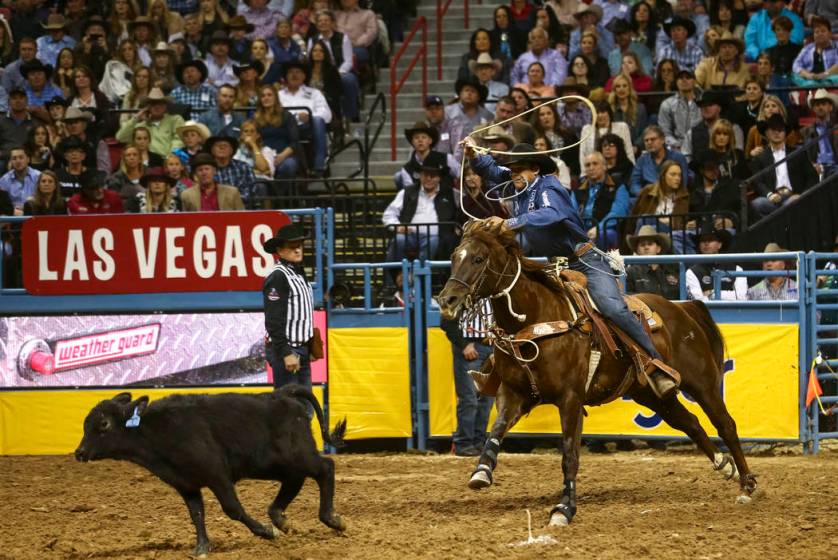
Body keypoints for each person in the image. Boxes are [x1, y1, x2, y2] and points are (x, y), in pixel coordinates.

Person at [463, 137, 679, 398]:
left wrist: (509, 223)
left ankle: (655, 365)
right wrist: (475, 154)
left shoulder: (548, 186)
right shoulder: (520, 185)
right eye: (513, 169)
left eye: (519, 169)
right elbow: (493, 172)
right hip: (555, 264)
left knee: (613, 308)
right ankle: (501, 371)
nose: (514, 174)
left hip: (584, 261)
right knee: (524, 307)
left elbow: (553, 213)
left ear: (535, 169)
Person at [262, 223, 318, 406]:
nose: (297, 250)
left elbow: (301, 311)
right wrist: (286, 352)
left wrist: (308, 345)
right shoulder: (278, 276)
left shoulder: (298, 273)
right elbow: (273, 320)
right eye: (292, 246)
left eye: (300, 245)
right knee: (288, 408)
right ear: (280, 250)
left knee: (305, 407)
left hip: (300, 348)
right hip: (286, 349)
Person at [440, 298, 495, 457]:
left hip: (490, 348)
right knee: (469, 398)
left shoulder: (494, 291)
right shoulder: (461, 291)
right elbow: (446, 322)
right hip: (471, 348)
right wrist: (464, 344)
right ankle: (464, 443)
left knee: (486, 399)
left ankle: (478, 443)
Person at [382, 162, 457, 262]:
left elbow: (463, 209)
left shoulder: (450, 193)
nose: (428, 178)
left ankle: (416, 274)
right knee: (398, 240)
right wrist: (398, 226)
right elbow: (389, 214)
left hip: (435, 236)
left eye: (433, 176)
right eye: (425, 175)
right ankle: (397, 274)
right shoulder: (407, 192)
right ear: (420, 176)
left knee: (433, 242)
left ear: (439, 178)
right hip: (409, 235)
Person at [749, 114, 818, 220]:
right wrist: (769, 195)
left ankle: (779, 225)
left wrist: (801, 195)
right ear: (766, 133)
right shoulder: (760, 158)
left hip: (794, 196)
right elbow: (758, 182)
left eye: (780, 129)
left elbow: (812, 176)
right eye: (773, 129)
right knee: (756, 204)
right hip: (773, 199)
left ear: (785, 133)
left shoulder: (798, 153)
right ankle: (781, 220)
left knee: (791, 204)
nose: (777, 132)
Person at [277, 61, 331, 176]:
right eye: (291, 72)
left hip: (306, 128)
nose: (294, 75)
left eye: (298, 72)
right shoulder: (278, 95)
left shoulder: (314, 93)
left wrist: (310, 117)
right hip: (284, 128)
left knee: (317, 120)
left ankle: (320, 164)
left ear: (304, 76)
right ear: (286, 76)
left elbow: (327, 114)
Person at [630, 159, 691, 253]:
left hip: (670, 232)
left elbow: (679, 223)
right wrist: (659, 220)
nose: (678, 178)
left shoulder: (684, 197)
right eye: (673, 174)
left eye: (679, 175)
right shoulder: (648, 193)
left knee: (646, 220)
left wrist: (663, 221)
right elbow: (634, 217)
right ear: (663, 176)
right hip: (649, 232)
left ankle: (636, 255)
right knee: (644, 220)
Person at [575, 151, 630, 250]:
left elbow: (618, 212)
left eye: (595, 163)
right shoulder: (578, 188)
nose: (591, 168)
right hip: (582, 230)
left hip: (606, 229)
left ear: (605, 166)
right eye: (588, 165)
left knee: (603, 235)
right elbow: (571, 212)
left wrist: (598, 228)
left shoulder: (617, 185)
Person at [685, 222, 746, 301]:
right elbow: (698, 302)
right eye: (703, 240)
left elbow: (741, 297)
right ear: (699, 246)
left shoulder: (736, 269)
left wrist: (712, 293)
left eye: (710, 239)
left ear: (719, 245)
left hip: (732, 312)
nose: (706, 243)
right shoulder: (692, 272)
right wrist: (728, 295)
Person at [116, 88, 185, 157]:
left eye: (160, 103)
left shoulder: (175, 120)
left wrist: (170, 157)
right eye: (153, 103)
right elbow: (120, 138)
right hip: (148, 162)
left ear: (165, 106)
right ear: (148, 107)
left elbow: (179, 140)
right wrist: (136, 118)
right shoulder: (141, 125)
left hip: (170, 161)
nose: (157, 106)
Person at [629, 125, 689, 201]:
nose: (649, 142)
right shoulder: (641, 160)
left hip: (673, 198)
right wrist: (644, 194)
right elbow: (634, 183)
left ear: (663, 140)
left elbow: (683, 183)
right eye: (646, 140)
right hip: (649, 198)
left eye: (653, 139)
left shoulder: (678, 157)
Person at [395, 121, 457, 191]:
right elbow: (411, 193)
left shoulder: (447, 159)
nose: (420, 140)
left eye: (424, 137)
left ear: (430, 141)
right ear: (412, 142)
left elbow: (461, 176)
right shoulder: (407, 169)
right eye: (416, 138)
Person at [624, 225, 680, 300]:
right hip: (644, 311)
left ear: (658, 249)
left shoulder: (671, 270)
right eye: (642, 245)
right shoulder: (630, 273)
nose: (646, 247)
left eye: (650, 244)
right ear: (637, 250)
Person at [688, 149, 741, 224]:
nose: (715, 171)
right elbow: (690, 215)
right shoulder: (695, 191)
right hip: (700, 230)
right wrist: (690, 223)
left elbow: (740, 210)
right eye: (710, 168)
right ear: (701, 170)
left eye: (717, 167)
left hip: (724, 229)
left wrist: (732, 222)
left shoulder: (729, 187)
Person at [180, 152, 245, 211]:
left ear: (214, 171)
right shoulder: (187, 195)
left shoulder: (232, 192)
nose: (204, 173)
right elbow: (185, 220)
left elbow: (242, 216)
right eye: (200, 170)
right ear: (195, 174)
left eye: (207, 169)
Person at [657, 69, 701, 153]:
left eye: (688, 77)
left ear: (694, 81)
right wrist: (678, 146)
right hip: (676, 148)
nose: (684, 80)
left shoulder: (703, 104)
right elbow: (664, 132)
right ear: (676, 82)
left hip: (699, 147)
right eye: (680, 78)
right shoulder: (667, 104)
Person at [791, 15, 838, 87]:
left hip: (831, 81)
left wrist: (825, 74)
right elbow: (796, 65)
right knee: (794, 76)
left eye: (823, 31)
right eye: (817, 32)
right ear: (813, 35)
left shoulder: (836, 46)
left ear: (829, 33)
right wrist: (808, 75)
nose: (820, 34)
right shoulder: (807, 48)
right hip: (811, 81)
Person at [801, 89, 838, 179]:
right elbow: (803, 153)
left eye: (823, 104)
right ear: (813, 108)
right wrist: (811, 165)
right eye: (817, 105)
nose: (820, 107)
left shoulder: (836, 128)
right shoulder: (806, 131)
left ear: (830, 107)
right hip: (817, 168)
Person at [0, 148, 40, 214]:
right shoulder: (4, 180)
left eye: (21, 157)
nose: (18, 161)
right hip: (12, 217)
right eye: (14, 158)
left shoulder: (39, 176)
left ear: (28, 159)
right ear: (11, 162)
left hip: (34, 215)